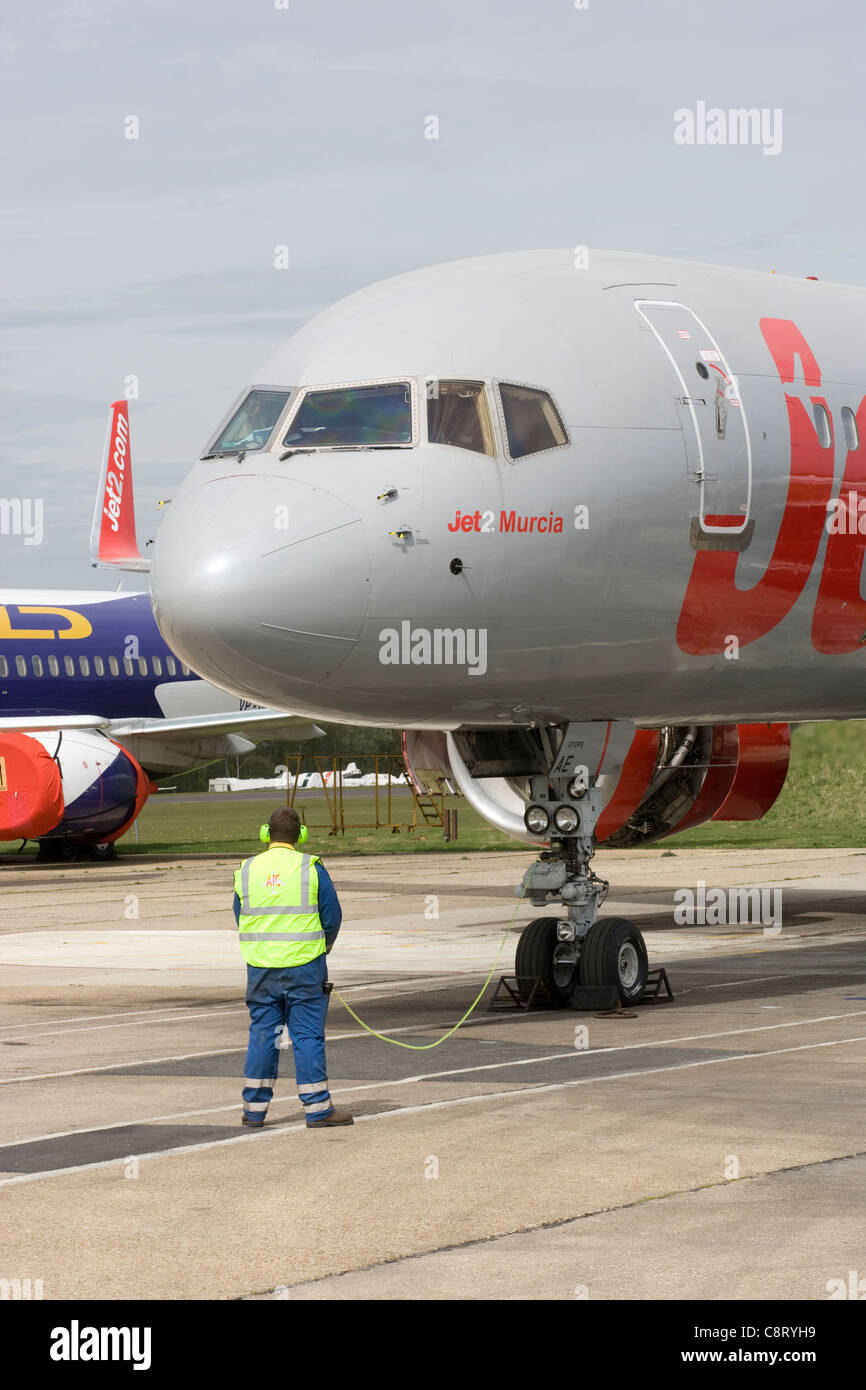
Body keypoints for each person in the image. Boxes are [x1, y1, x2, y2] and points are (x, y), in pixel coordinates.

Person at [232, 806, 353, 1129]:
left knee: (263, 1036)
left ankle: (253, 1111)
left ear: (265, 833)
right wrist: (320, 948)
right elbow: (332, 916)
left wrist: (262, 947)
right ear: (300, 835)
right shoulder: (310, 867)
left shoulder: (246, 870)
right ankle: (317, 1109)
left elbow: (240, 914)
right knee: (306, 1037)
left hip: (260, 969)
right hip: (305, 967)